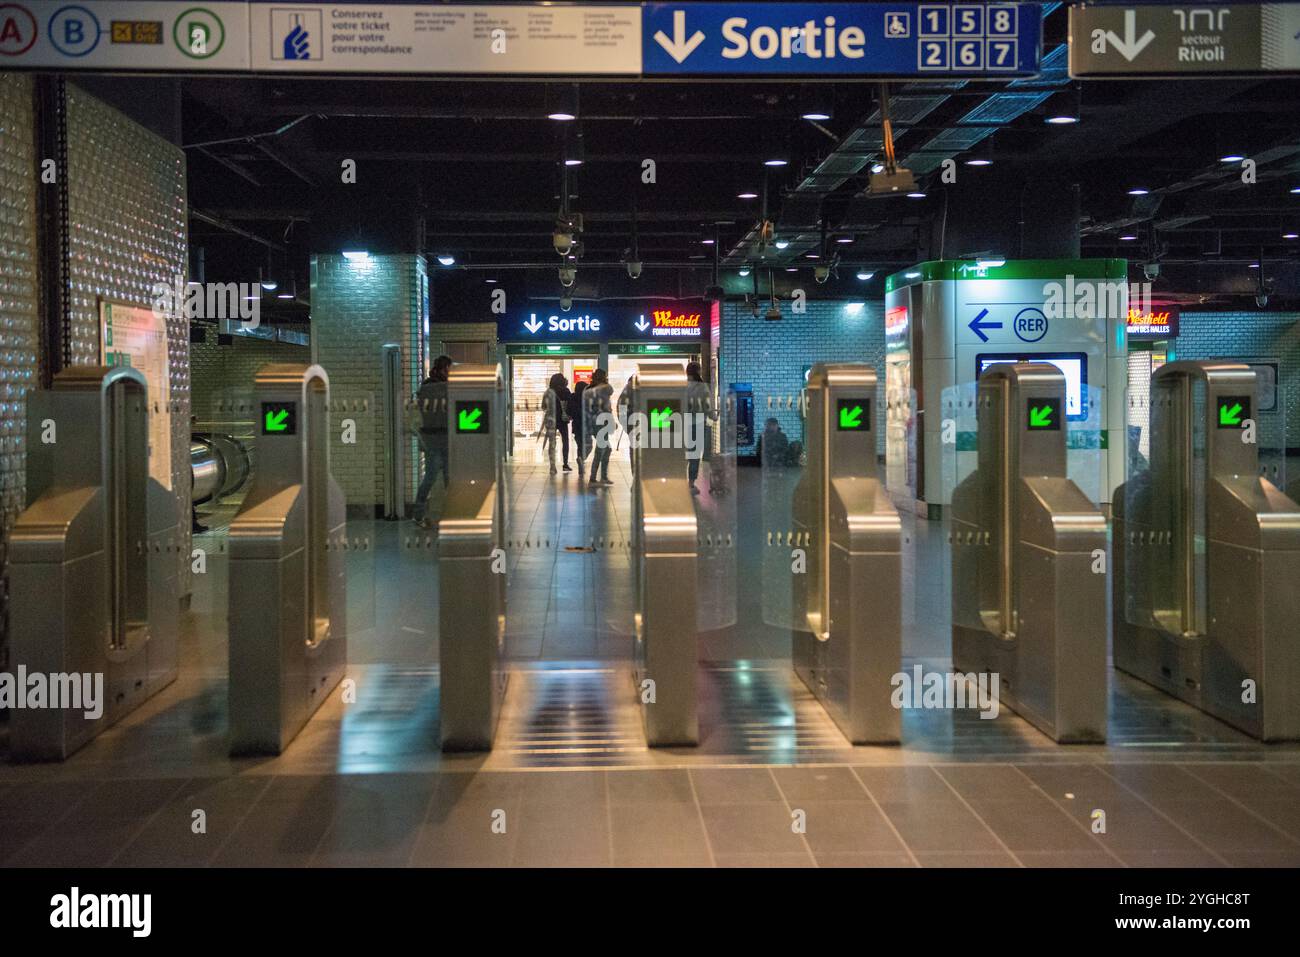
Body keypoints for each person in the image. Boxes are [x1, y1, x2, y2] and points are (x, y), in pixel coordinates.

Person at [413, 355, 453, 528]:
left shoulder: (424, 387)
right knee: (443, 478)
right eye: (449, 370)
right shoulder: (444, 387)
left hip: (431, 438)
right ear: (443, 369)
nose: (450, 373)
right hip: (441, 438)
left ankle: (419, 514)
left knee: (432, 477)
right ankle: (451, 514)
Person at [684, 361, 715, 495]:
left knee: (684, 453)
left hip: (682, 424)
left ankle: (679, 480)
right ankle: (690, 483)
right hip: (697, 423)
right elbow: (708, 406)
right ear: (698, 371)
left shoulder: (682, 386)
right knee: (694, 454)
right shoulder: (702, 388)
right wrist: (713, 416)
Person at [584, 368, 614, 487]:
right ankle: (595, 477)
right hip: (602, 422)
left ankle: (601, 476)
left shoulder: (589, 389)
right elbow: (607, 408)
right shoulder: (605, 390)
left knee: (605, 448)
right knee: (602, 449)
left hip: (593, 422)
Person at [540, 372, 571, 475]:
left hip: (551, 420)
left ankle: (552, 467)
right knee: (565, 441)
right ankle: (565, 464)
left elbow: (543, 407)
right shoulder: (566, 391)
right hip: (563, 420)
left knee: (552, 443)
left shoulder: (548, 392)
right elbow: (570, 405)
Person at [569, 379, 589, 476]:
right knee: (589, 444)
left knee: (579, 444)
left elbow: (570, 411)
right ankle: (582, 459)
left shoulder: (572, 397)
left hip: (576, 424)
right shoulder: (587, 398)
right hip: (586, 424)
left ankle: (580, 459)